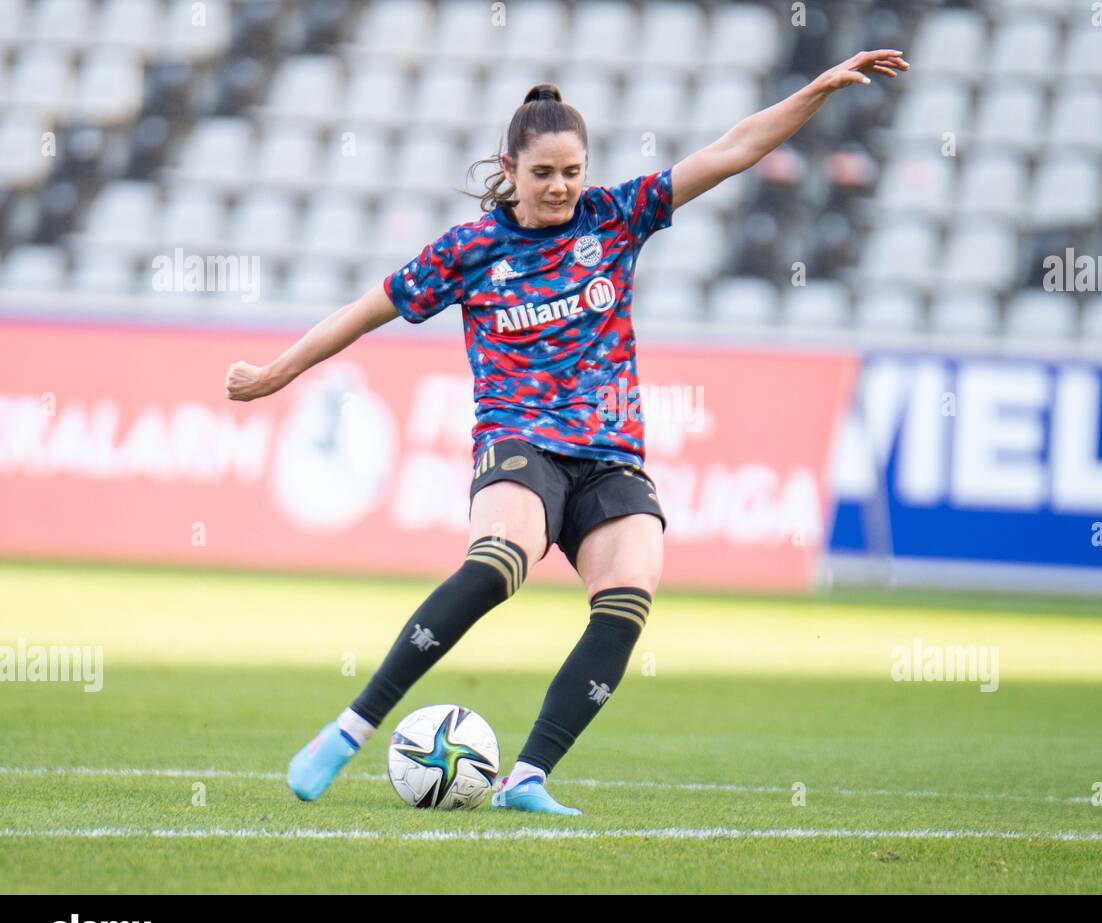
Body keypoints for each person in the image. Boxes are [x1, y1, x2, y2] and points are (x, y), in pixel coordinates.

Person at [225, 49, 908, 814]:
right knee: (497, 564)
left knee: (627, 598)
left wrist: (813, 89)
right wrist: (278, 372)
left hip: (611, 457)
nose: (559, 187)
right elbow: (365, 309)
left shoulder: (617, 217)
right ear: (510, 172)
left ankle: (529, 777)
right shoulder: (469, 251)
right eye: (543, 172)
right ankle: (349, 730)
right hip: (519, 442)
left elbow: (732, 150)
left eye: (571, 171)